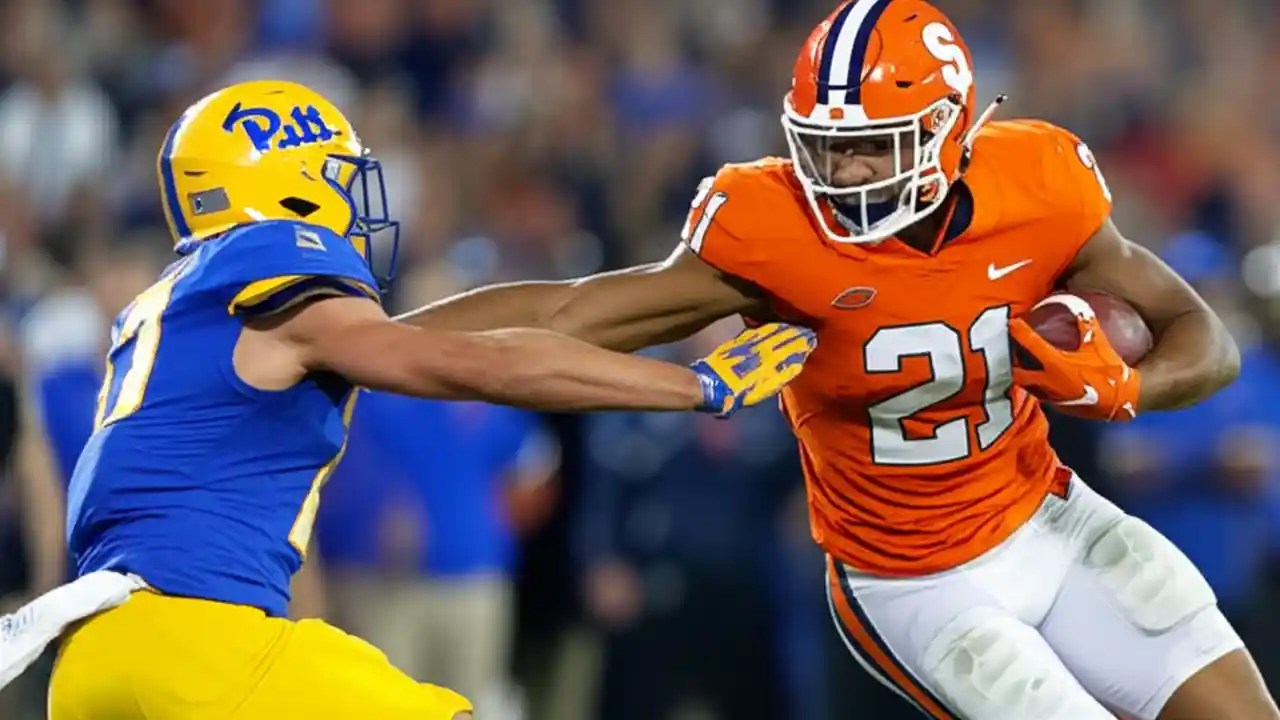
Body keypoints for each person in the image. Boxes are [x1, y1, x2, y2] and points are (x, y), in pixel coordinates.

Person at [397, 1, 1279, 717]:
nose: (844, 172)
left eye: (872, 145)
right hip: (912, 581)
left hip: (1046, 518)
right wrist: (386, 341)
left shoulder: (1040, 183)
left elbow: (1207, 340)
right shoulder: (772, 225)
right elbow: (571, 309)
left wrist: (1126, 386)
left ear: (949, 128)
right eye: (824, 144)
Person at [33, 79, 814, 720]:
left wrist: (687, 295)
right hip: (197, 645)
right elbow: (467, 361)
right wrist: (693, 384)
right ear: (289, 189)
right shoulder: (269, 253)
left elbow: (540, 315)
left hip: (99, 657)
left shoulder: (194, 306)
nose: (355, 197)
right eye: (336, 174)